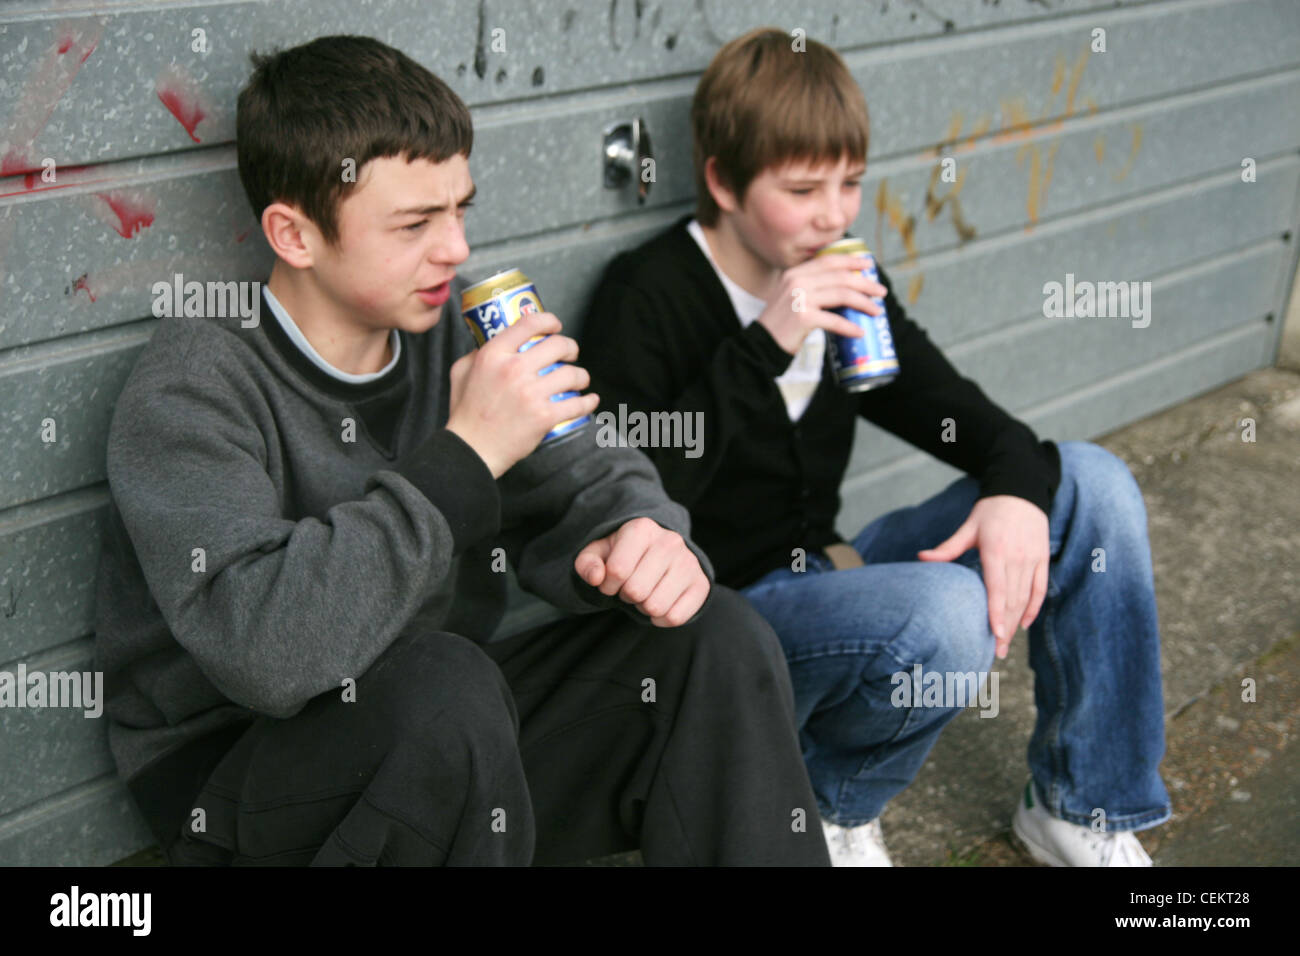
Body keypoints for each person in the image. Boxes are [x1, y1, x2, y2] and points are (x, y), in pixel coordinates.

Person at [92, 34, 831, 867]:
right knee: (443, 688)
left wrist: (643, 533)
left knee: (714, 636)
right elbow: (267, 656)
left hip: (441, 744)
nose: (455, 249)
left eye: (459, 209)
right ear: (293, 235)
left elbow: (593, 474)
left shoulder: (458, 332)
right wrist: (467, 452)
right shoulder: (195, 381)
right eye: (414, 223)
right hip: (242, 782)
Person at [579, 27, 1170, 866]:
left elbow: (971, 421)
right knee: (944, 616)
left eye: (851, 182)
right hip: (718, 623)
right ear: (723, 181)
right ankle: (826, 805)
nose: (836, 214)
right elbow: (623, 493)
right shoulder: (649, 295)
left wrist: (1014, 492)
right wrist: (764, 346)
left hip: (832, 579)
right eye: (803, 187)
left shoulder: (848, 281)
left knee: (1088, 483)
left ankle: (1084, 807)